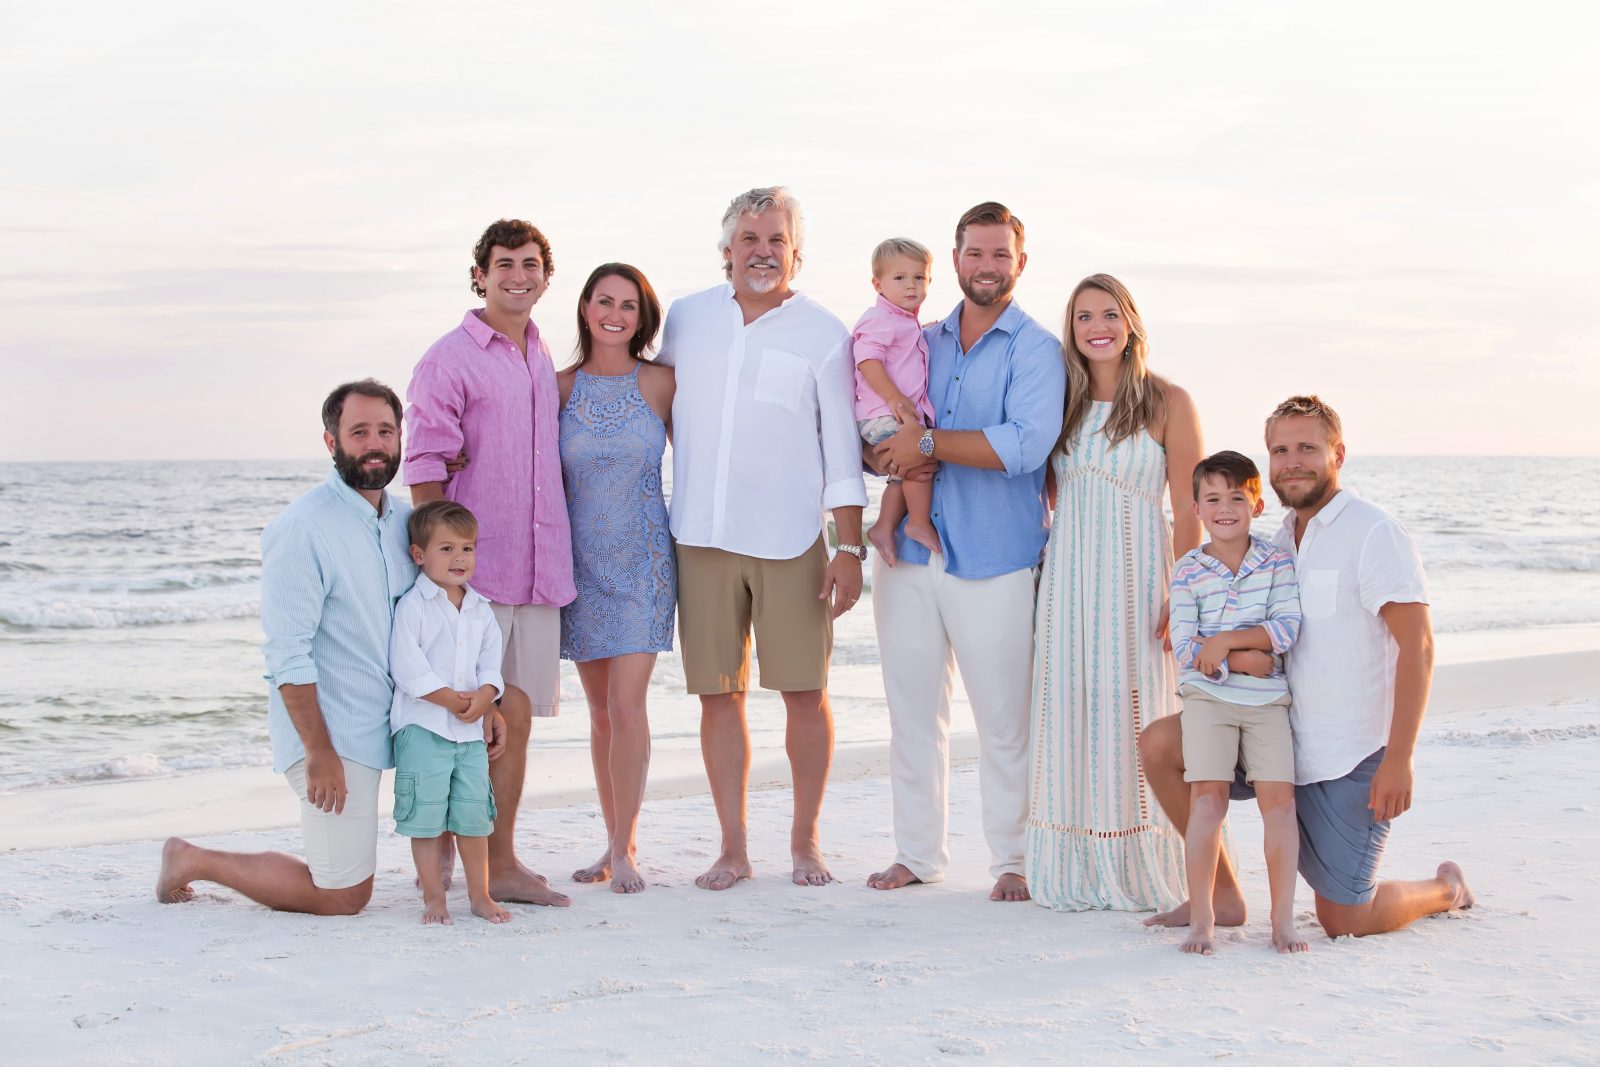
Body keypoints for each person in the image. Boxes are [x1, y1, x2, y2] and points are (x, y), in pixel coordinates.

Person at [1141, 396, 1474, 938]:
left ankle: (1447, 889)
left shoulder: (1373, 532)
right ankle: (1223, 897)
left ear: (1337, 453)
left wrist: (1400, 760)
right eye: (1279, 450)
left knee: (1344, 918)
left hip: (1347, 754)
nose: (1291, 461)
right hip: (1274, 728)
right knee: (1160, 744)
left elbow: (1419, 648)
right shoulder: (1273, 544)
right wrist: (1222, 641)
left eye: (1306, 448)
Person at [156, 380, 461, 914]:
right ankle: (192, 859)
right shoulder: (302, 529)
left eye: (385, 431)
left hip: (394, 720)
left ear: (400, 441)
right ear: (331, 441)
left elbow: (429, 622)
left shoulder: (403, 525)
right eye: (359, 431)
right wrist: (319, 752)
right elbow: (286, 654)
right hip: (333, 733)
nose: (374, 443)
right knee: (343, 895)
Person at [655, 186, 869, 890]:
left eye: (776, 240)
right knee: (719, 696)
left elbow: (841, 449)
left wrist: (849, 547)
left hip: (789, 541)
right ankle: (733, 846)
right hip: (700, 537)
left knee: (804, 692)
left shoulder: (824, 333)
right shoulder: (685, 320)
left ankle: (805, 840)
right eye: (750, 238)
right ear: (726, 250)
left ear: (796, 252)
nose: (763, 251)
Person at [867, 202, 1065, 901]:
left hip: (996, 556)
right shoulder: (919, 338)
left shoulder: (1038, 348)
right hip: (911, 561)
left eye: (999, 255)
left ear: (1020, 261)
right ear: (955, 260)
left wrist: (922, 443)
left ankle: (1013, 856)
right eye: (974, 254)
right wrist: (882, 449)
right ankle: (917, 853)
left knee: (1004, 719)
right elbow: (876, 422)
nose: (986, 267)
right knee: (913, 713)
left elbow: (1023, 446)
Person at [403, 219, 575, 908]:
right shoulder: (447, 358)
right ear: (479, 273)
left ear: (545, 275)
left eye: (531, 263)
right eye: (504, 263)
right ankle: (456, 856)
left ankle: (499, 858)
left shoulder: (538, 352)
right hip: (476, 574)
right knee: (464, 717)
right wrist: (441, 570)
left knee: (520, 715)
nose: (518, 274)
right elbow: (424, 468)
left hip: (539, 571)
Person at [1025, 273, 1204, 912]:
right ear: (1071, 331)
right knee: (1071, 707)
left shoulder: (1167, 402)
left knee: (1135, 707)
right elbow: (1042, 490)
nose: (1096, 327)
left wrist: (1183, 594)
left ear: (1130, 323)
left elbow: (1188, 511)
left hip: (1137, 577)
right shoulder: (1061, 403)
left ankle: (1153, 861)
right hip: (1070, 579)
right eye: (1082, 318)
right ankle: (1074, 857)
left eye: (1108, 314)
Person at [557, 263, 675, 895]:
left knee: (628, 707)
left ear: (641, 316)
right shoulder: (557, 388)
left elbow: (711, 454)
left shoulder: (660, 383)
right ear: (584, 308)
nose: (616, 314)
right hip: (580, 567)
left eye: (628, 305)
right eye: (605, 301)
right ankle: (612, 841)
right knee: (600, 713)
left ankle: (627, 850)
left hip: (644, 562)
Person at [1168, 451, 1305, 954]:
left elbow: (1286, 629)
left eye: (1236, 498)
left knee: (1281, 807)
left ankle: (1283, 921)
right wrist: (1246, 660)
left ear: (1257, 504)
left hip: (1269, 702)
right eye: (1213, 499)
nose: (1225, 508)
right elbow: (1186, 649)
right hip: (1208, 699)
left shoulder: (1276, 561)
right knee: (1207, 802)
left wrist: (1223, 644)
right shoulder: (1187, 571)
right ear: (1196, 509)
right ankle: (1203, 920)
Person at [389, 500, 512, 925]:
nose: (460, 558)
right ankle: (434, 899)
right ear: (419, 555)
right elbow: (408, 669)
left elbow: (491, 662)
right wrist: (452, 702)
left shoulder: (481, 609)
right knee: (425, 819)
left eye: (468, 548)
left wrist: (486, 696)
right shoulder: (414, 607)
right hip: (423, 729)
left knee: (474, 817)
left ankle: (480, 895)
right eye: (447, 549)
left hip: (469, 735)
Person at [851, 238, 938, 565]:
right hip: (881, 413)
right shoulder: (878, 319)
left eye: (919, 277)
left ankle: (884, 528)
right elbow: (867, 360)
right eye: (900, 278)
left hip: (888, 413)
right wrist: (894, 398)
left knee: (902, 473)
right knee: (920, 462)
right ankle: (916, 523)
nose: (911, 285)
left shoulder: (905, 322)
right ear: (878, 284)